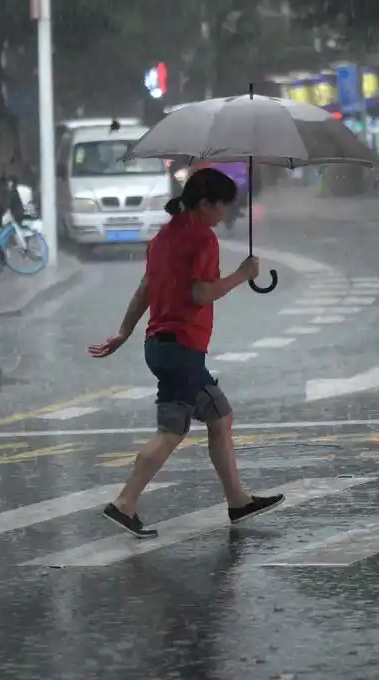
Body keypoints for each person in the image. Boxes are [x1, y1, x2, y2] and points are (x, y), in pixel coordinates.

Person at [87, 167, 285, 538]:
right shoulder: (202, 240)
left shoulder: (163, 237)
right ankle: (124, 503)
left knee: (219, 417)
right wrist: (243, 275)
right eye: (222, 207)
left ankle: (238, 501)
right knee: (171, 431)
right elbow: (201, 294)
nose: (225, 215)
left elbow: (145, 288)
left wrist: (124, 332)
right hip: (181, 348)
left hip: (160, 346)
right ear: (205, 204)